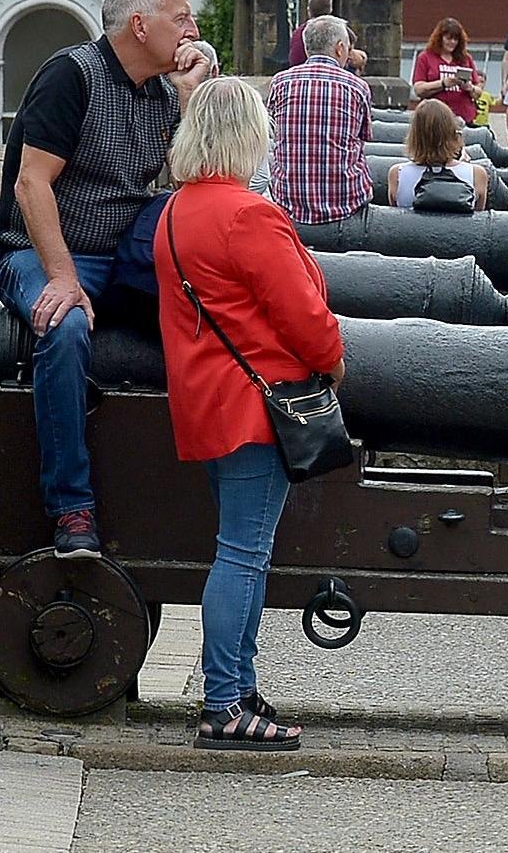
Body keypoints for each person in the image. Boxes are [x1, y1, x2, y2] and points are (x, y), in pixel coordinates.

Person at [155, 76, 344, 751]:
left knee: (244, 552)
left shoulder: (177, 210)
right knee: (242, 555)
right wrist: (334, 354)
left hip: (210, 400)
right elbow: (302, 314)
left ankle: (239, 685)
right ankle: (224, 703)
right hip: (260, 405)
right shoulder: (247, 213)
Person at [0, 0, 214, 557]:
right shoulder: (71, 77)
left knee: (208, 321)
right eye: (181, 17)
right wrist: (63, 276)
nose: (192, 29)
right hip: (42, 250)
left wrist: (193, 99)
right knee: (63, 330)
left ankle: (204, 480)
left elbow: (188, 182)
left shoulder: (163, 94)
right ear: (140, 26)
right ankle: (71, 508)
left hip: (123, 258)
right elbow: (30, 185)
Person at [266, 15, 373, 226]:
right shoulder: (358, 87)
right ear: (340, 48)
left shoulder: (280, 82)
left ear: (307, 48)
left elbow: (274, 131)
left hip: (287, 199)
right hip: (345, 200)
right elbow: (363, 138)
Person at [387, 100, 491, 213]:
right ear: (452, 133)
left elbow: (396, 216)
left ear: (414, 136)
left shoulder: (396, 174)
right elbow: (478, 219)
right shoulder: (477, 174)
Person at [411, 18, 482, 125]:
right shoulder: (425, 57)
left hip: (463, 117)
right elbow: (418, 89)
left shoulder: (466, 59)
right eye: (448, 39)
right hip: (435, 118)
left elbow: (478, 90)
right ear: (440, 38)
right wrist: (443, 83)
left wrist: (469, 88)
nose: (452, 42)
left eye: (456, 39)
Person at [286, 0, 331, 68]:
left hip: (297, 70)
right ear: (330, 10)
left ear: (308, 11)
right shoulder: (336, 30)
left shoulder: (298, 32)